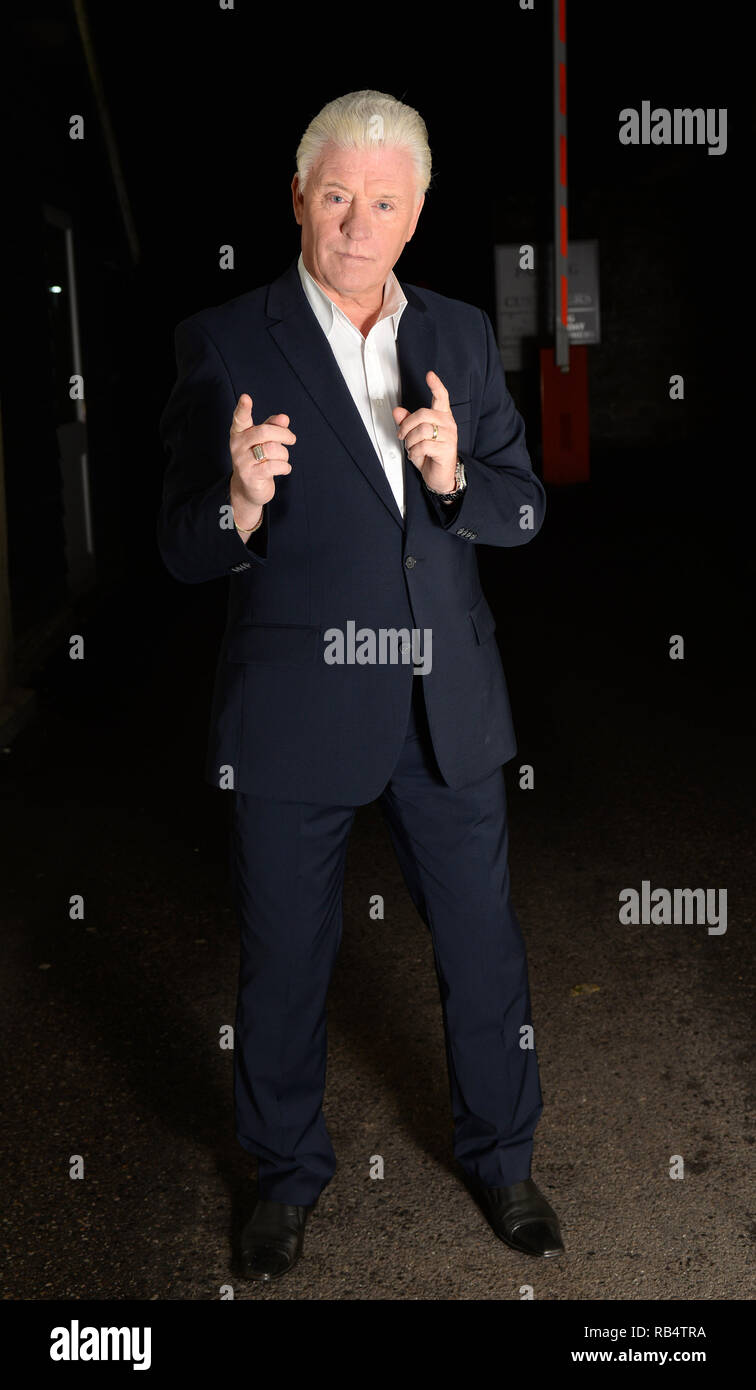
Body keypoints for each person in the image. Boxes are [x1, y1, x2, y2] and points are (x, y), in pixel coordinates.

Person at [158, 89, 564, 1282]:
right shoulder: (226, 339)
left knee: (485, 949)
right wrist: (235, 504)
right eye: (336, 195)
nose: (356, 222)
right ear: (299, 198)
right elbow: (179, 546)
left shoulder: (462, 336)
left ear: (416, 212)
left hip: (447, 705)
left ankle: (504, 1160)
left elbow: (525, 508)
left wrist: (454, 481)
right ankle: (282, 1178)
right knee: (286, 956)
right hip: (295, 711)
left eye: (382, 202)